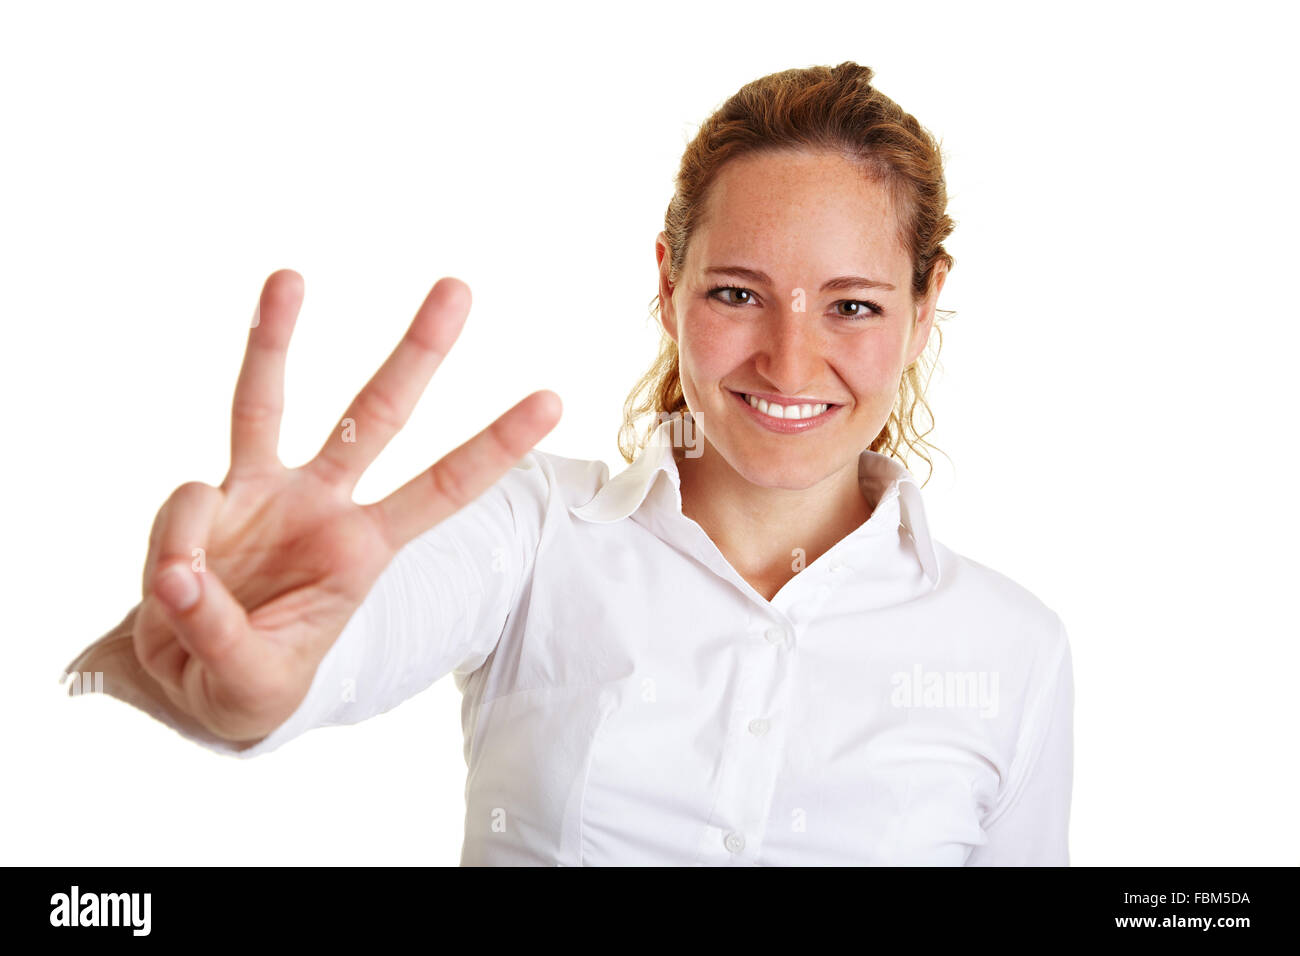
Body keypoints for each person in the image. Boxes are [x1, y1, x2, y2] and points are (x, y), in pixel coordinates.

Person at [64, 61, 1073, 866]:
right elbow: (357, 632)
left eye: (852, 304)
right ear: (668, 279)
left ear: (924, 302)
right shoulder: (532, 531)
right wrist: (256, 665)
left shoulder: (1011, 648)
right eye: (735, 293)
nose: (789, 359)